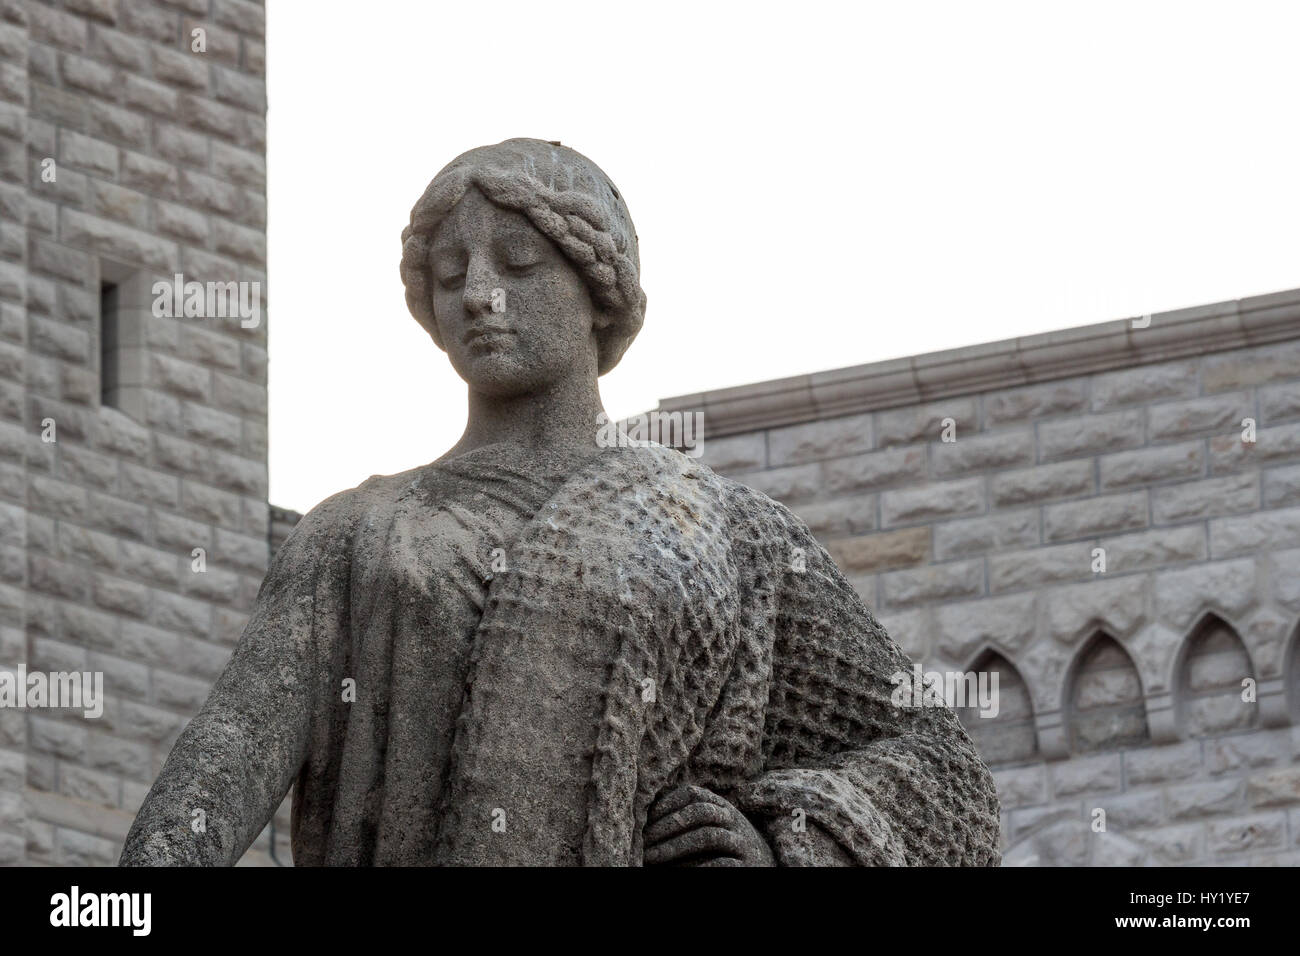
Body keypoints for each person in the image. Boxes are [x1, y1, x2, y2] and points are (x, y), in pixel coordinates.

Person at [119, 138, 1001, 866]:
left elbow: (945, 778)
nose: (478, 294)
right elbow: (216, 776)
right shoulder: (355, 534)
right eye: (450, 271)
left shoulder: (731, 536)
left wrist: (782, 844)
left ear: (597, 293)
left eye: (517, 262)